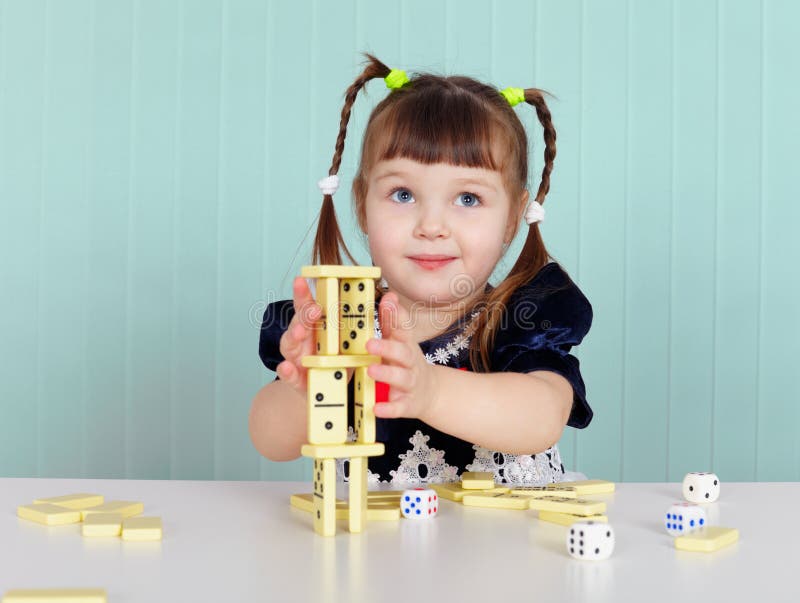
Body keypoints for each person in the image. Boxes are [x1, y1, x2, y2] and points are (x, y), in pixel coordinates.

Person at [249, 53, 593, 486]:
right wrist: (311, 388)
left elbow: (542, 416)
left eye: (468, 198)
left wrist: (430, 390)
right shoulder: (341, 329)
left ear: (511, 218)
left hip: (507, 530)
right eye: (403, 194)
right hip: (380, 532)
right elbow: (269, 440)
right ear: (362, 204)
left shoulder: (521, 320)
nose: (431, 226)